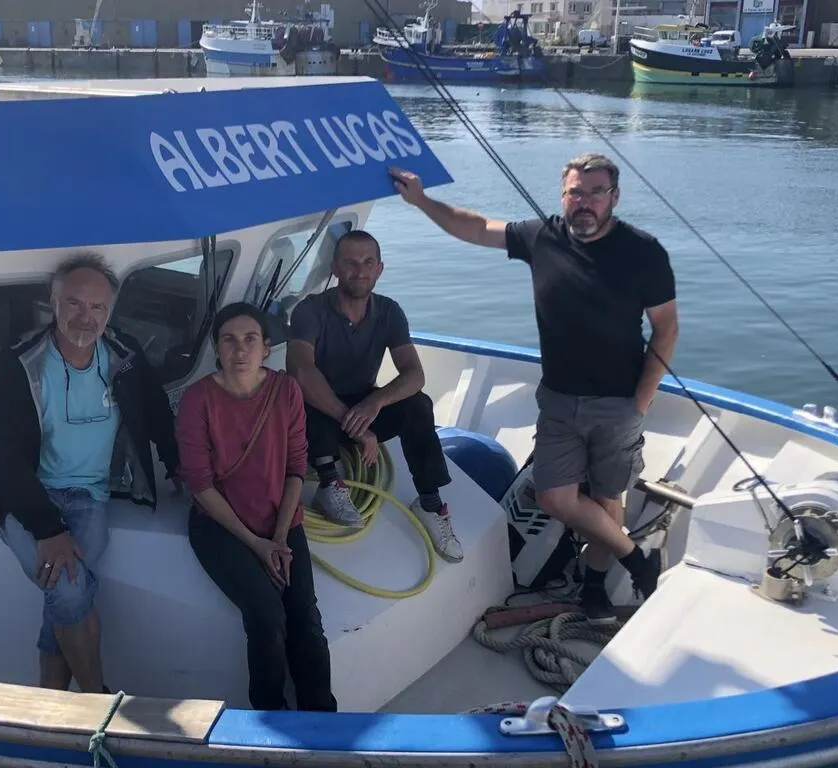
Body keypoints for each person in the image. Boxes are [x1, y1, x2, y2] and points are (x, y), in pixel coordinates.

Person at [390, 152, 679, 622]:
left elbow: (666, 330)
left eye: (595, 193)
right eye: (575, 193)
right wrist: (422, 201)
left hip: (619, 402)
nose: (584, 202)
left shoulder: (644, 252)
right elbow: (474, 225)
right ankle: (636, 559)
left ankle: (594, 590)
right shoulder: (541, 237)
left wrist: (640, 402)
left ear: (614, 197)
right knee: (555, 498)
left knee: (608, 500)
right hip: (560, 400)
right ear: (563, 195)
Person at [0, 253, 180, 693]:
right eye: (74, 304)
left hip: (90, 496)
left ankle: (51, 705)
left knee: (64, 596)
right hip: (27, 498)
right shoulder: (19, 365)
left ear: (110, 312)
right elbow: (1, 458)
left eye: (97, 308)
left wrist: (182, 468)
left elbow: (156, 411)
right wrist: (47, 529)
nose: (86, 318)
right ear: (53, 305)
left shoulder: (124, 354)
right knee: (70, 591)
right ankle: (95, 697)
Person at [175, 302, 336, 712]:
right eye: (229, 340)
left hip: (279, 520)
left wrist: (280, 536)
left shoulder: (286, 391)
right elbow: (201, 484)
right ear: (217, 348)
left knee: (306, 619)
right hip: (219, 525)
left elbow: (296, 466)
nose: (240, 350)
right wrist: (257, 544)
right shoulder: (198, 400)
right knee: (266, 616)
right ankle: (270, 720)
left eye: (250, 340)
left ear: (267, 347)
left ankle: (323, 720)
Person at [286, 230, 463, 563]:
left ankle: (429, 502)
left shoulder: (389, 311)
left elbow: (415, 374)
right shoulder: (311, 311)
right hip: (321, 411)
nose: (360, 270)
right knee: (299, 396)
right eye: (350, 263)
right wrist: (350, 420)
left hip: (361, 405)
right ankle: (329, 484)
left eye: (368, 262)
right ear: (335, 268)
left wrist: (374, 403)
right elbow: (301, 371)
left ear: (380, 269)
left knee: (418, 405)